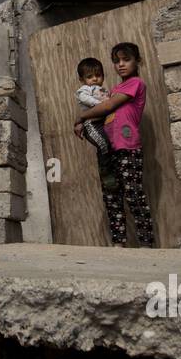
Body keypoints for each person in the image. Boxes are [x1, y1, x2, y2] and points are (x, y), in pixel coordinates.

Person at [74, 42, 155, 248]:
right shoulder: (113, 88)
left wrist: (80, 118)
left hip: (127, 147)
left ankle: (146, 243)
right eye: (116, 61)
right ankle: (119, 242)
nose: (121, 65)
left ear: (138, 61)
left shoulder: (135, 83)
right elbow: (103, 108)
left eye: (126, 60)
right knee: (111, 194)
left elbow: (107, 106)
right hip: (109, 148)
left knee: (133, 193)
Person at [74, 57, 112, 157]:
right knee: (104, 145)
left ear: (103, 77)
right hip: (92, 124)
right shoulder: (85, 89)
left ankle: (109, 166)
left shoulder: (104, 90)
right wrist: (99, 105)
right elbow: (84, 98)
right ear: (82, 79)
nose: (95, 78)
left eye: (98, 75)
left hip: (103, 122)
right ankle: (105, 169)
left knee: (109, 144)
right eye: (90, 76)